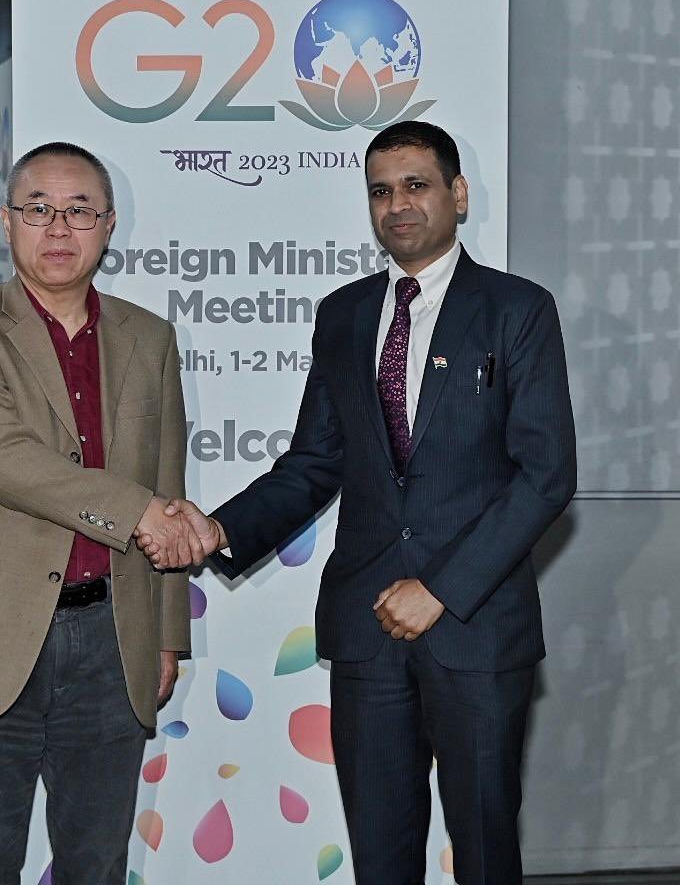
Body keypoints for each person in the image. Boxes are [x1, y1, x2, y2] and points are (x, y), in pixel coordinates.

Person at [140, 121, 576, 885]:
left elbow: (545, 476)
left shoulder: (518, 309)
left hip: (477, 630)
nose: (398, 205)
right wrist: (217, 528)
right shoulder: (343, 314)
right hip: (366, 631)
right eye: (380, 190)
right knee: (379, 852)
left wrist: (439, 590)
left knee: (483, 849)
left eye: (416, 185)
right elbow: (315, 462)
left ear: (457, 195)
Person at [0, 141, 199, 885]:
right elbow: (2, 457)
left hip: (115, 641)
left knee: (98, 865)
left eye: (79, 210)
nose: (58, 228)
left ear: (108, 226)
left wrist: (167, 635)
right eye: (38, 209)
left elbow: (166, 477)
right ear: (6, 222)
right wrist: (141, 511)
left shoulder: (150, 337)